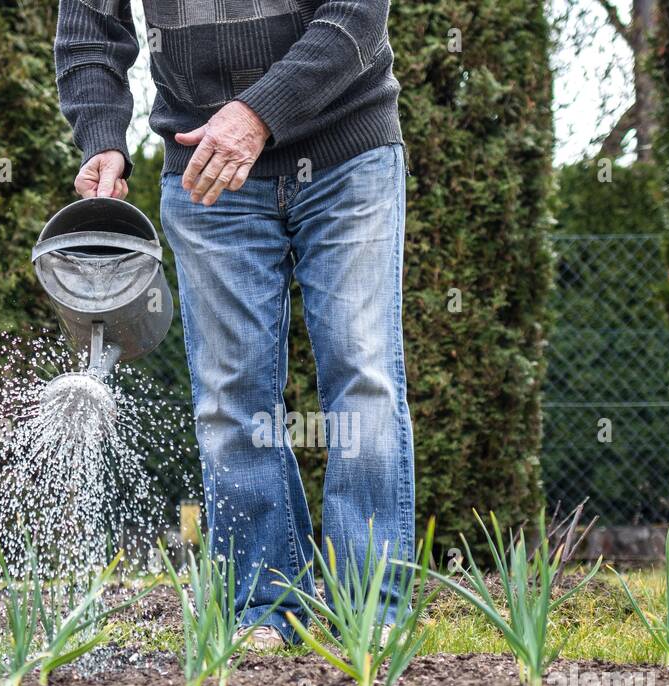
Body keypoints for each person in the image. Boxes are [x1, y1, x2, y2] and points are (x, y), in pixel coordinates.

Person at [55, 0, 414, 647]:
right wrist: (102, 137)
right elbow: (89, 27)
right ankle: (264, 608)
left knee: (363, 379)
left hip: (346, 149)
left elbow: (357, 12)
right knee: (231, 399)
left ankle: (372, 613)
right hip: (205, 168)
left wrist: (258, 112)